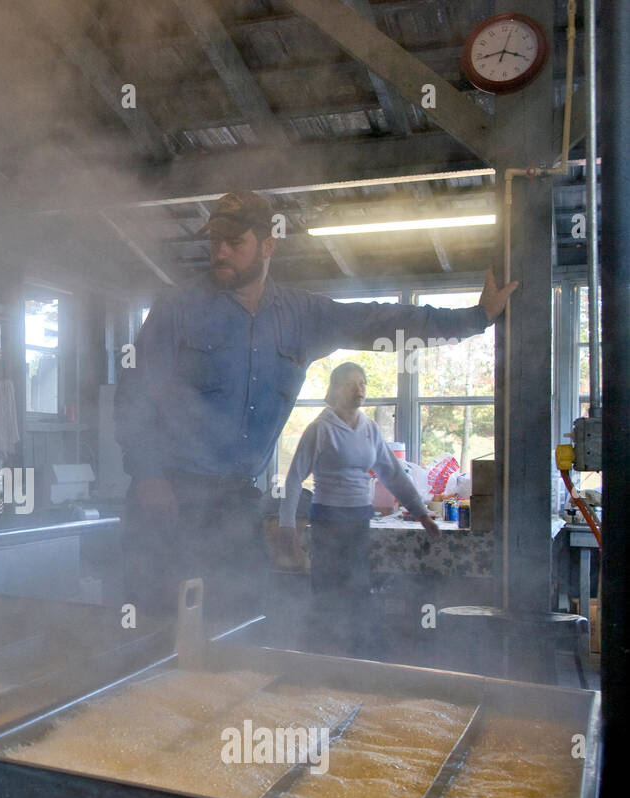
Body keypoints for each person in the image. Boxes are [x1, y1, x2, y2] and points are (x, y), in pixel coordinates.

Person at [114, 189, 517, 625]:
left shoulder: (302, 316)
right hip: (169, 498)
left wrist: (475, 319)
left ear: (268, 245)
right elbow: (134, 394)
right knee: (154, 636)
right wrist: (148, 475)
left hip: (236, 503)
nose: (221, 252)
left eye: (236, 242)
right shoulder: (179, 308)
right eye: (215, 241)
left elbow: (381, 320)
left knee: (239, 630)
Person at [277, 362, 437, 657]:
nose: (359, 388)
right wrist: (286, 524)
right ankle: (320, 656)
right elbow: (295, 477)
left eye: (362, 382)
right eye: (351, 383)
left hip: (358, 522)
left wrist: (421, 513)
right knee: (328, 591)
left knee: (358, 589)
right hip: (327, 522)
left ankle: (359, 656)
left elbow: (392, 473)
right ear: (336, 388)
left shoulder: (370, 428)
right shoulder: (320, 429)